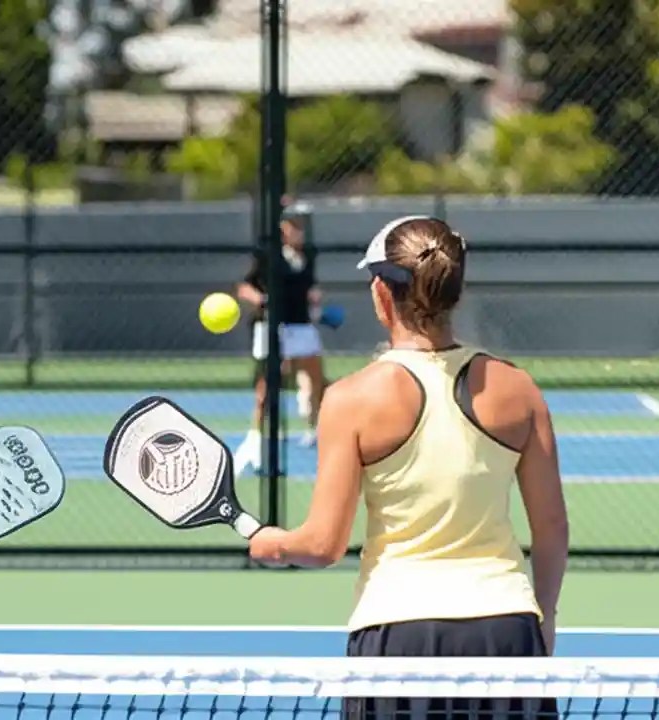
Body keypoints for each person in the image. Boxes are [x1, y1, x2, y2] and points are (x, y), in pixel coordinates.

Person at [246, 215, 570, 720]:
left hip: (397, 634)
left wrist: (271, 542)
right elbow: (551, 528)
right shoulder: (518, 389)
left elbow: (322, 545)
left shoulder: (351, 399)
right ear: (454, 291)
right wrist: (545, 616)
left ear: (380, 294)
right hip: (507, 628)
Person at [234, 201, 328, 477]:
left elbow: (310, 287)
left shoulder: (309, 255)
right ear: (282, 228)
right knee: (269, 384)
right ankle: (256, 436)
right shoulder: (268, 254)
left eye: (300, 225)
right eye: (292, 224)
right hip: (274, 326)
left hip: (302, 325)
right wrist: (262, 300)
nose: (296, 229)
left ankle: (315, 427)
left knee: (317, 378)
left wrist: (314, 299)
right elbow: (245, 287)